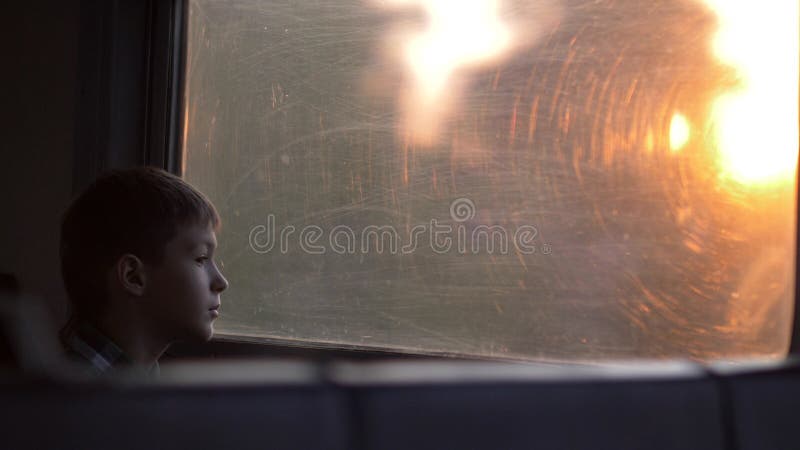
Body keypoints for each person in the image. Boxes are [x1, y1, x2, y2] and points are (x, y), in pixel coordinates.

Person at [59, 167, 228, 376]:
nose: (221, 282)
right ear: (134, 276)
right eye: (201, 258)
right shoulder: (71, 400)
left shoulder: (139, 383)